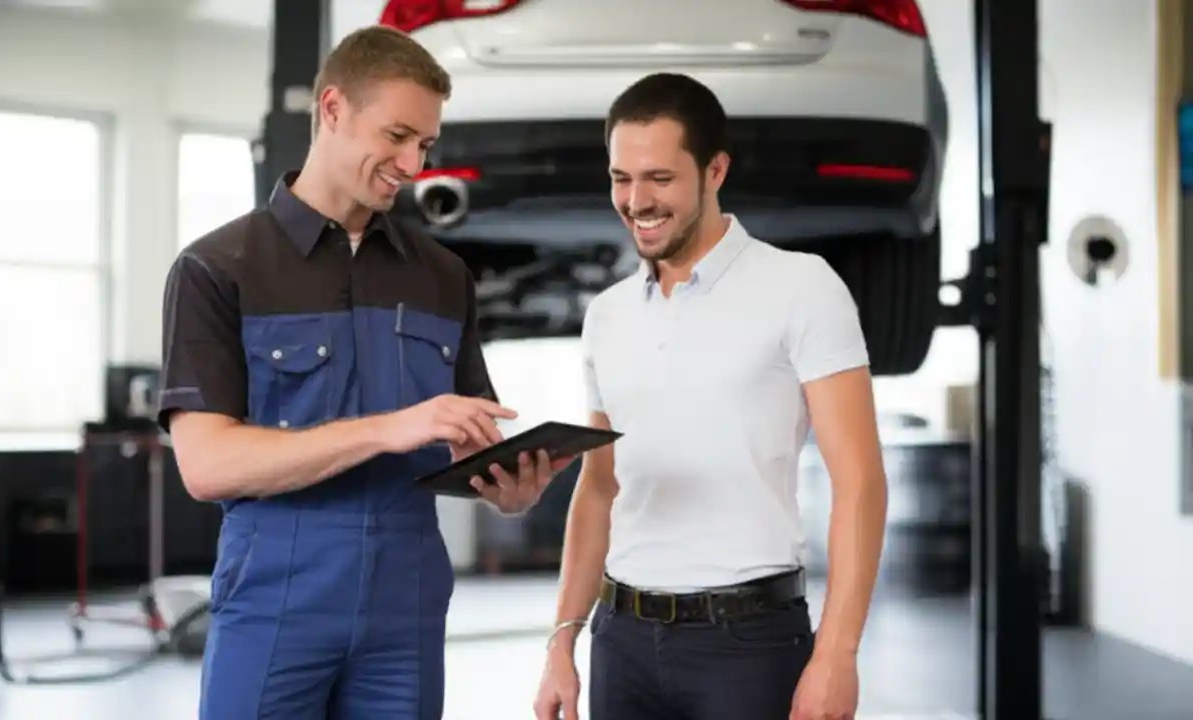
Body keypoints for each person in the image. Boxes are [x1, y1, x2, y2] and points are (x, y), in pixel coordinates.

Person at [158, 26, 571, 720]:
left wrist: (505, 488)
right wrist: (391, 428)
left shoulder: (443, 277)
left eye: (427, 146)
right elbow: (207, 465)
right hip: (274, 597)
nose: (412, 162)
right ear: (332, 109)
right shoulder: (217, 269)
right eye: (399, 135)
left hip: (404, 606)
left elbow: (465, 441)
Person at [532, 72, 889, 720]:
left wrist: (837, 654)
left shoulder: (801, 286)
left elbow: (860, 482)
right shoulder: (608, 315)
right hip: (623, 641)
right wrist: (564, 638)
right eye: (621, 178)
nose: (636, 200)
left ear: (715, 170)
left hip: (748, 644)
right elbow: (600, 488)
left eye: (659, 179)